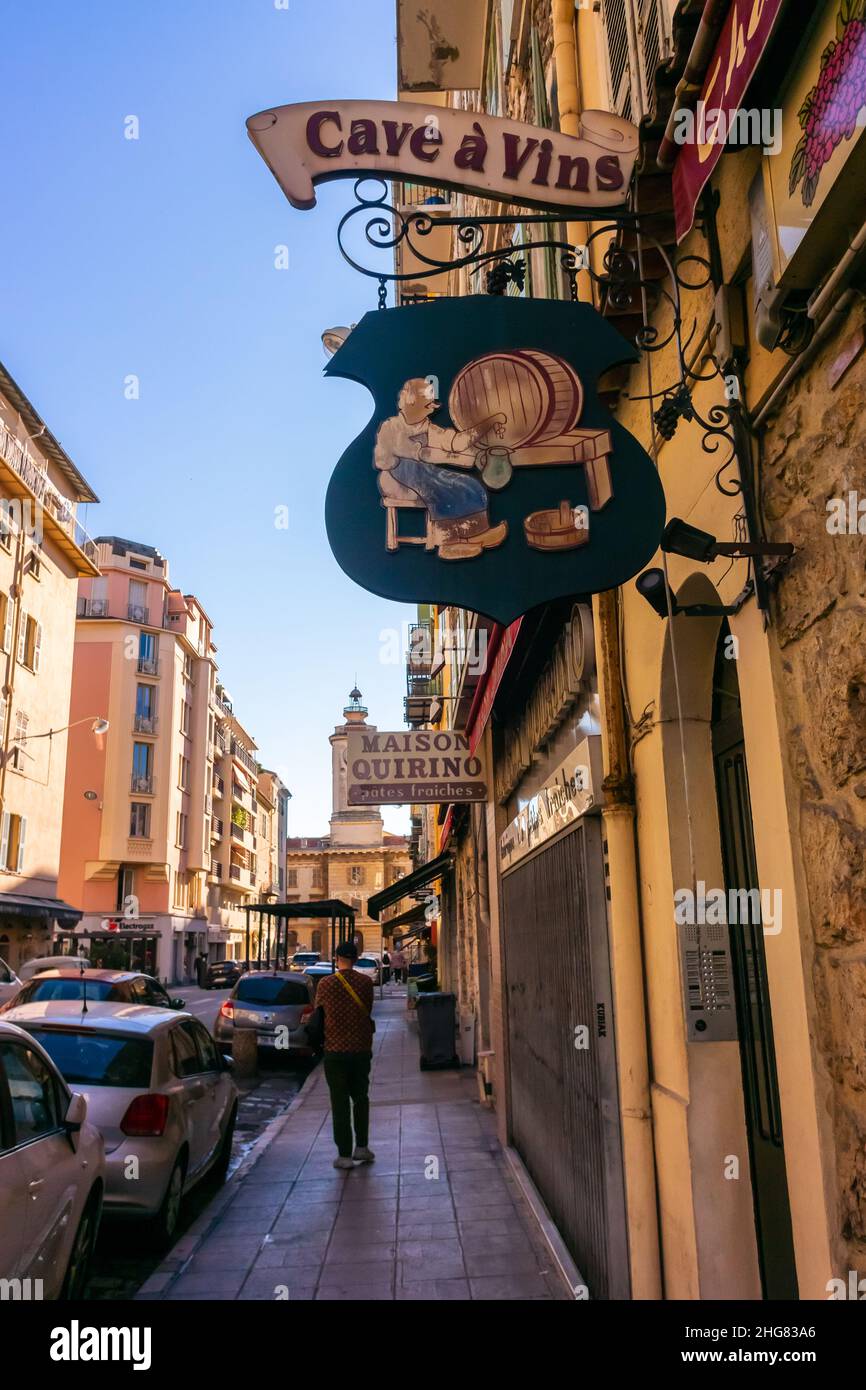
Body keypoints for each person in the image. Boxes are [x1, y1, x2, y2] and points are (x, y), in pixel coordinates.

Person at [374, 377, 508, 560]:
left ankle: (476, 533)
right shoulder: (391, 427)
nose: (431, 409)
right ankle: (447, 543)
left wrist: (489, 423)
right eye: (428, 405)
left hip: (424, 473)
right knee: (440, 487)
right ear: (411, 402)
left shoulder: (426, 426)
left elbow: (456, 442)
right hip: (397, 480)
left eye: (432, 406)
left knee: (467, 483)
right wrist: (460, 459)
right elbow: (421, 454)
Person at [316, 941, 376, 1170]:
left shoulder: (326, 984)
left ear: (336, 958)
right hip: (360, 1049)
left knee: (339, 1102)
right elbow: (367, 1009)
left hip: (335, 1050)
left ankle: (344, 1155)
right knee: (361, 1098)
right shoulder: (366, 983)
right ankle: (362, 1146)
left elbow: (319, 1013)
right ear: (356, 958)